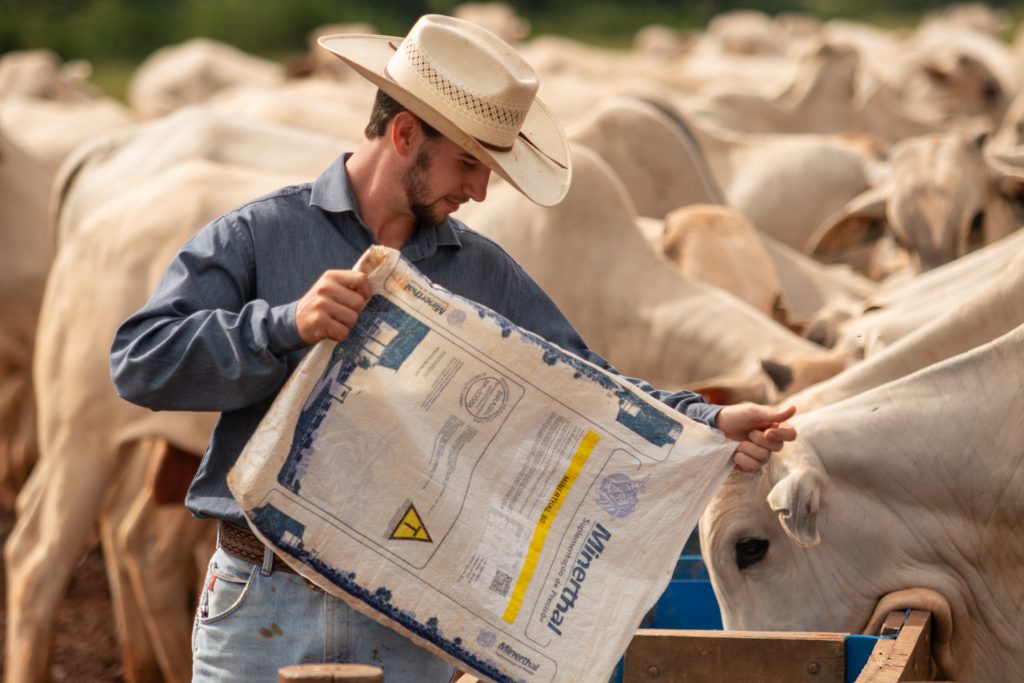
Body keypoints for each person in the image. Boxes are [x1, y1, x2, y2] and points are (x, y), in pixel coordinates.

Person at [109, 14, 797, 683]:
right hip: (261, 603)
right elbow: (139, 362)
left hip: (405, 614)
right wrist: (283, 325)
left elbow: (588, 385)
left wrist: (706, 422)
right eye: (468, 162)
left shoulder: (483, 272)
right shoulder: (258, 235)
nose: (481, 189)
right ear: (405, 132)